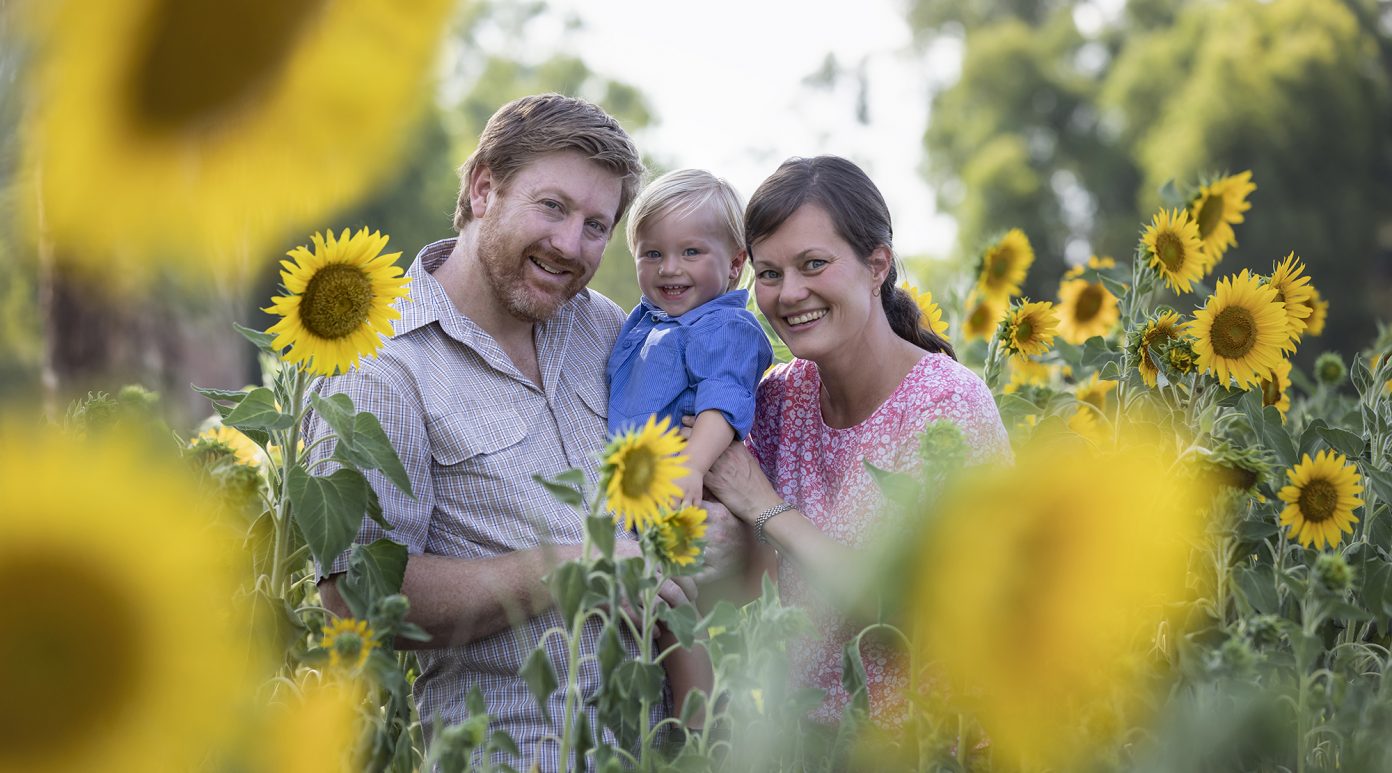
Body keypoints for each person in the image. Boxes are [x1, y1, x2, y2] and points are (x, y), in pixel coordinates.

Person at [306, 94, 740, 772]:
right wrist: (566, 567)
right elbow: (353, 594)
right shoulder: (380, 361)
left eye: (597, 224)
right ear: (484, 188)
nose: (571, 246)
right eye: (553, 207)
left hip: (658, 747)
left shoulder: (605, 325)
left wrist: (719, 529)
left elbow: (686, 464)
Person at [700, 155, 1011, 724]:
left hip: (924, 748)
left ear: (876, 266)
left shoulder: (946, 408)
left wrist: (770, 511)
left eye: (813, 264)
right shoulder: (777, 400)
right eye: (768, 273)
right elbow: (742, 587)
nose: (789, 293)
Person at [605, 168, 773, 723]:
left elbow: (723, 400)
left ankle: (695, 732)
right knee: (647, 616)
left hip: (682, 488)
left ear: (734, 264)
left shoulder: (724, 328)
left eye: (690, 251)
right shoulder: (645, 322)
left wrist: (691, 466)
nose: (669, 268)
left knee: (679, 614)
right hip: (639, 491)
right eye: (651, 254)